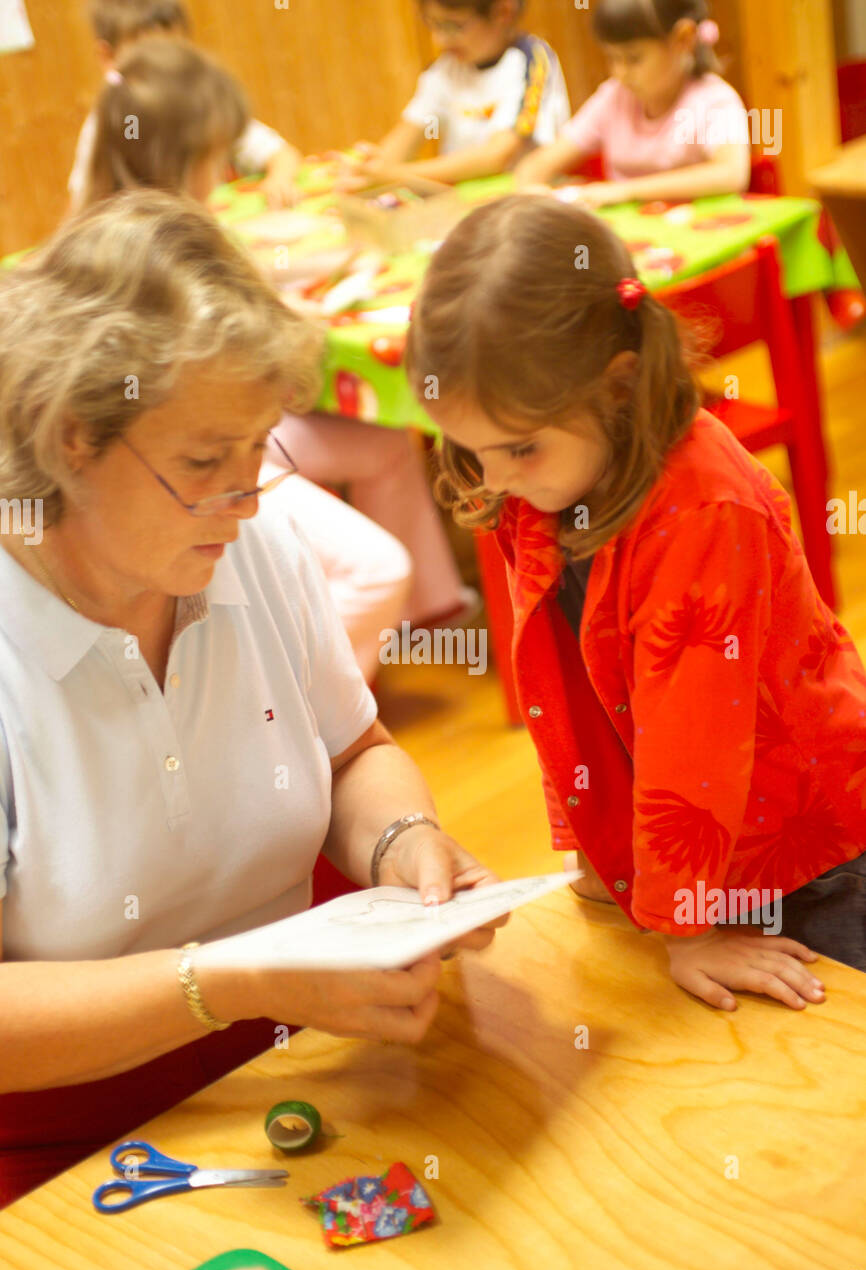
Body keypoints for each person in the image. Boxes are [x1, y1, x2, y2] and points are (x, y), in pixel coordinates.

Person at [0, 191, 505, 1203]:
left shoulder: (249, 538)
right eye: (202, 463)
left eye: (259, 451)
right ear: (69, 441)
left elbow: (354, 750)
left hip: (305, 1065)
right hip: (70, 1148)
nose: (249, 500)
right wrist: (222, 984)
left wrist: (402, 840)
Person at [406, 193, 866, 1010]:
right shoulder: (543, 480)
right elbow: (559, 679)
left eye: (516, 448)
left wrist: (683, 927)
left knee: (826, 1047)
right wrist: (591, 848)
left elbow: (697, 736)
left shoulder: (704, 511)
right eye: (473, 452)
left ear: (618, 388)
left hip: (808, 845)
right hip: (698, 850)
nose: (498, 480)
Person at [76, 35, 417, 682]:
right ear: (182, 159)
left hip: (209, 453)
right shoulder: (151, 249)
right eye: (214, 157)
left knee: (381, 450)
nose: (225, 172)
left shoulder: (141, 224)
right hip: (193, 474)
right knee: (377, 570)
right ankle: (298, 705)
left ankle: (418, 624)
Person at [68, 0, 302, 212]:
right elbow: (82, 208)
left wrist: (279, 179)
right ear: (108, 58)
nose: (167, 73)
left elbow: (279, 154)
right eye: (147, 62)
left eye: (175, 54)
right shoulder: (112, 124)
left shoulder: (202, 106)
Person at [514, 0, 751, 205]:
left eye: (633, 59)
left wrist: (624, 191)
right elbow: (540, 163)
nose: (620, 73)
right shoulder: (613, 97)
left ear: (683, 39)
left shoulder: (714, 100)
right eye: (612, 58)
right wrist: (530, 186)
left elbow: (730, 173)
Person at [343, 0, 570, 188]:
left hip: (521, 201)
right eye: (433, 25)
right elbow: (404, 138)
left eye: (453, 26)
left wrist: (396, 174)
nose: (439, 40)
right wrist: (370, 167)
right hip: (462, 200)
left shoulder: (532, 61)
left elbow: (498, 156)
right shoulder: (445, 69)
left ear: (503, 11)